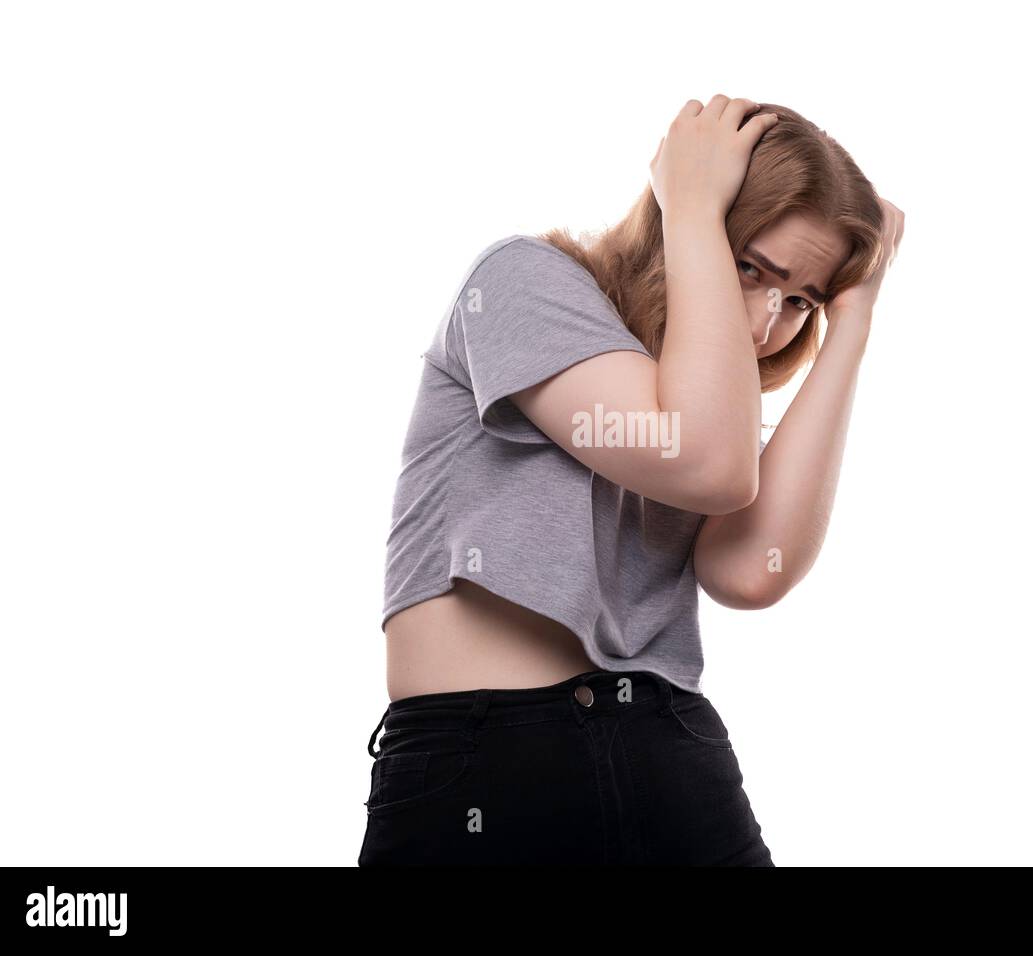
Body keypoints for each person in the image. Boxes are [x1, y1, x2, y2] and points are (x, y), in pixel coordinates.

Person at [358, 94, 904, 865]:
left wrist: (853, 321)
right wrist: (690, 214)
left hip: (670, 757)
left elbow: (748, 571)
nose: (762, 325)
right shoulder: (521, 283)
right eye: (749, 268)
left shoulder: (705, 397)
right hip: (483, 767)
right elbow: (704, 462)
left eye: (797, 301)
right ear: (685, 218)